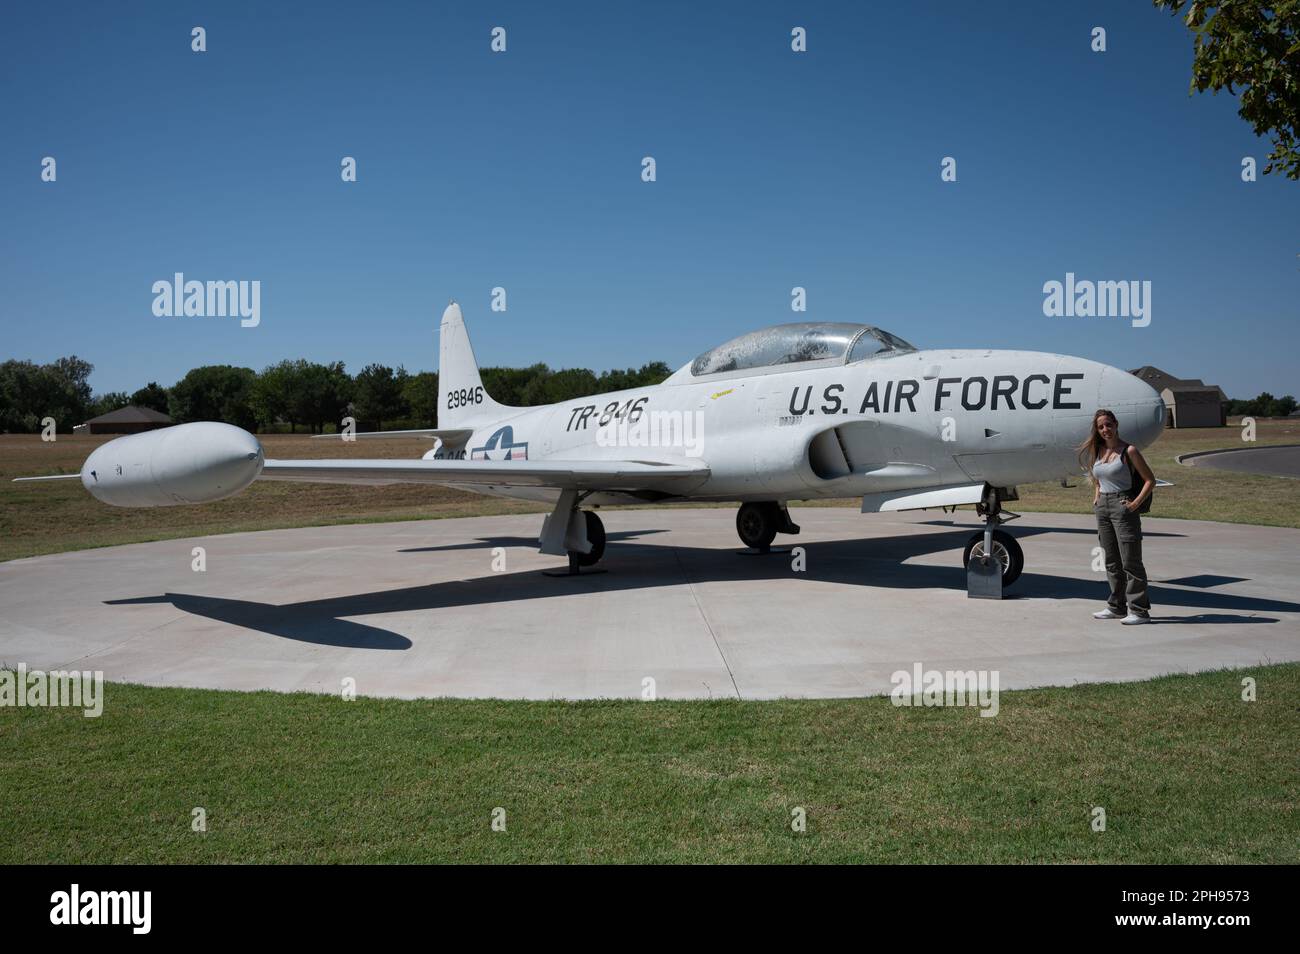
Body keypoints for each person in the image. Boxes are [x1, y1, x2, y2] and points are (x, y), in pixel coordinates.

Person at [1078, 408, 1156, 624]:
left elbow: (1150, 480)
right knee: (1111, 561)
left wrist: (1134, 504)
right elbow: (1096, 476)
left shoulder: (1129, 451)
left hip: (1123, 506)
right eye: (1101, 427)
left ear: (1116, 424)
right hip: (1102, 507)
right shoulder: (1098, 451)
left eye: (1108, 425)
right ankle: (1117, 607)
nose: (1105, 430)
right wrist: (1097, 496)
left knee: (1131, 561)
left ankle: (1139, 611)